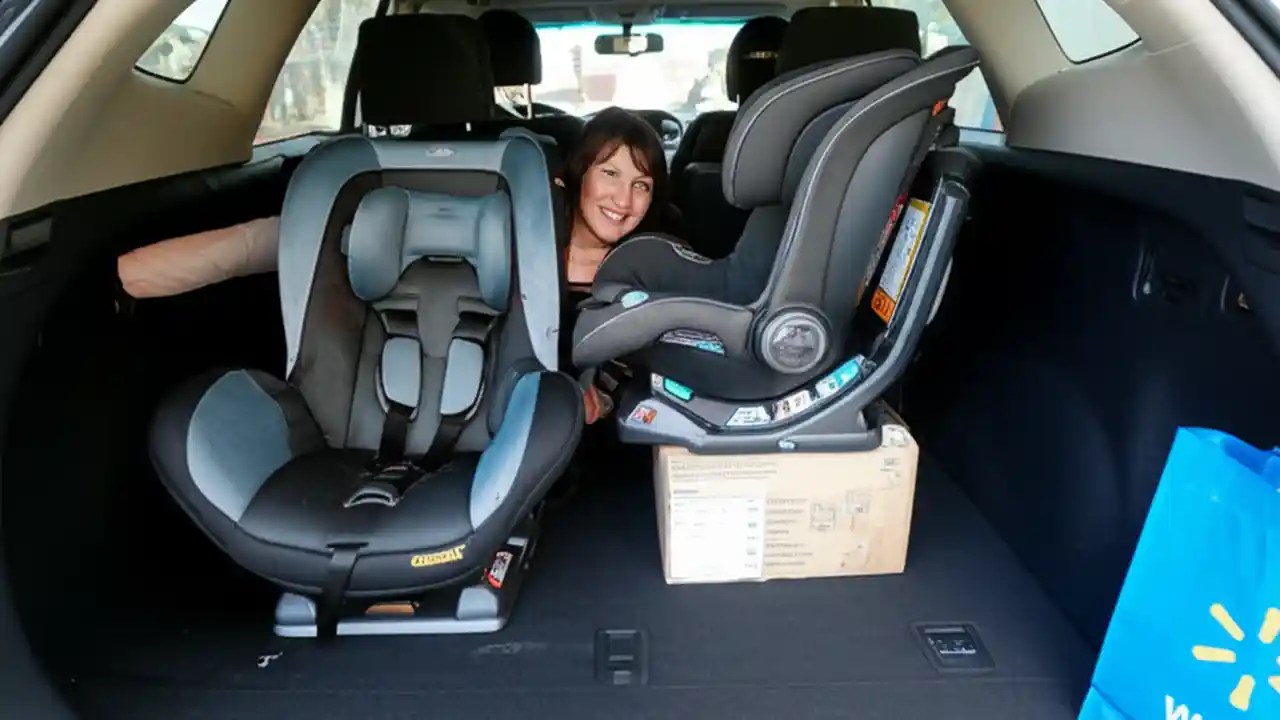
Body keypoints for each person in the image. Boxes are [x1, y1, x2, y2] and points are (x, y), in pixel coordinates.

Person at [116, 107, 673, 425]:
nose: (623, 199)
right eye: (609, 174)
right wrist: (122, 278)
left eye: (641, 185)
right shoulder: (514, 219)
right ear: (574, 177)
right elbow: (267, 243)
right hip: (450, 410)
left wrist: (601, 393)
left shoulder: (648, 262)